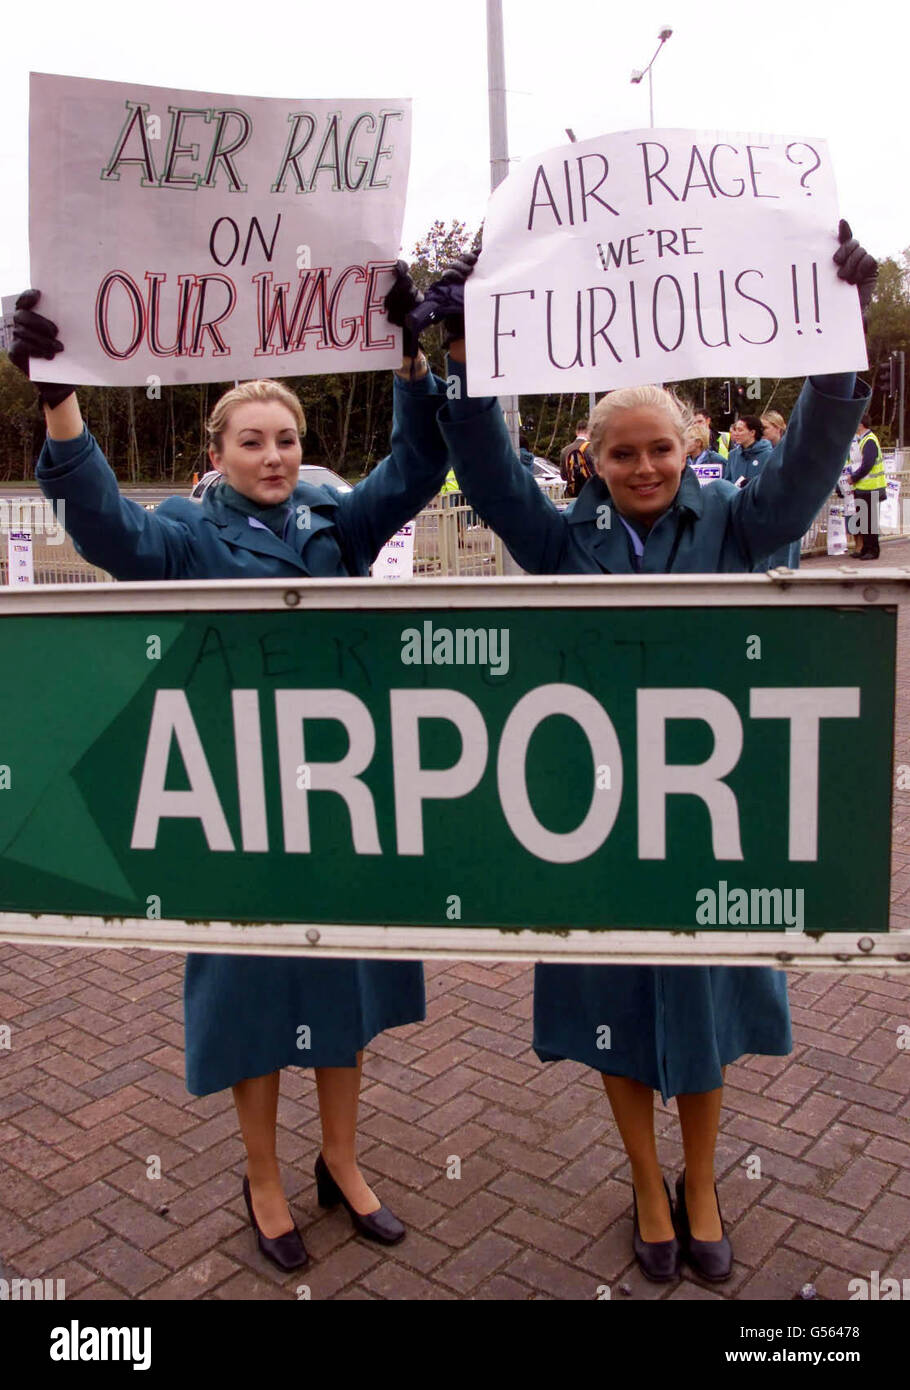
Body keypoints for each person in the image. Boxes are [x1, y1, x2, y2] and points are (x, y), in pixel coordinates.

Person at [413, 219, 875, 1283]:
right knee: (613, 1005)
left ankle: (703, 1180)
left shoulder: (738, 525)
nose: (643, 465)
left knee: (705, 1008)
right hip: (594, 816)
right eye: (620, 451)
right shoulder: (558, 539)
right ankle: (640, 1180)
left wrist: (836, 342)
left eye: (660, 446)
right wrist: (472, 359)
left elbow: (808, 465)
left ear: (688, 447)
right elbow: (485, 473)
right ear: (592, 459)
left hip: (709, 811)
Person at [9, 268, 450, 1273]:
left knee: (344, 983)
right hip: (235, 798)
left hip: (341, 796)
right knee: (251, 992)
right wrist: (58, 397)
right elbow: (105, 527)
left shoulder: (338, 525)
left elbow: (418, 466)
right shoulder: (186, 537)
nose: (272, 454)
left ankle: (341, 1162)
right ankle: (262, 1176)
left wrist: (411, 358)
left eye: (286, 439)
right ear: (216, 454)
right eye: (251, 440)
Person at [725, 415, 800, 570]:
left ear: (752, 432)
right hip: (741, 515)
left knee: (771, 564)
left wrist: (752, 485)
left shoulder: (770, 454)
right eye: (735, 430)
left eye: (740, 430)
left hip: (766, 514)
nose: (736, 433)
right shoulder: (733, 455)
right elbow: (727, 480)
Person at [849, 413, 887, 559]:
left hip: (871, 487)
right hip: (863, 487)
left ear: (860, 424)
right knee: (863, 521)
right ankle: (866, 548)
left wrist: (854, 477)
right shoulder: (863, 440)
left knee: (869, 521)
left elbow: (867, 465)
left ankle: (873, 550)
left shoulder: (869, 440)